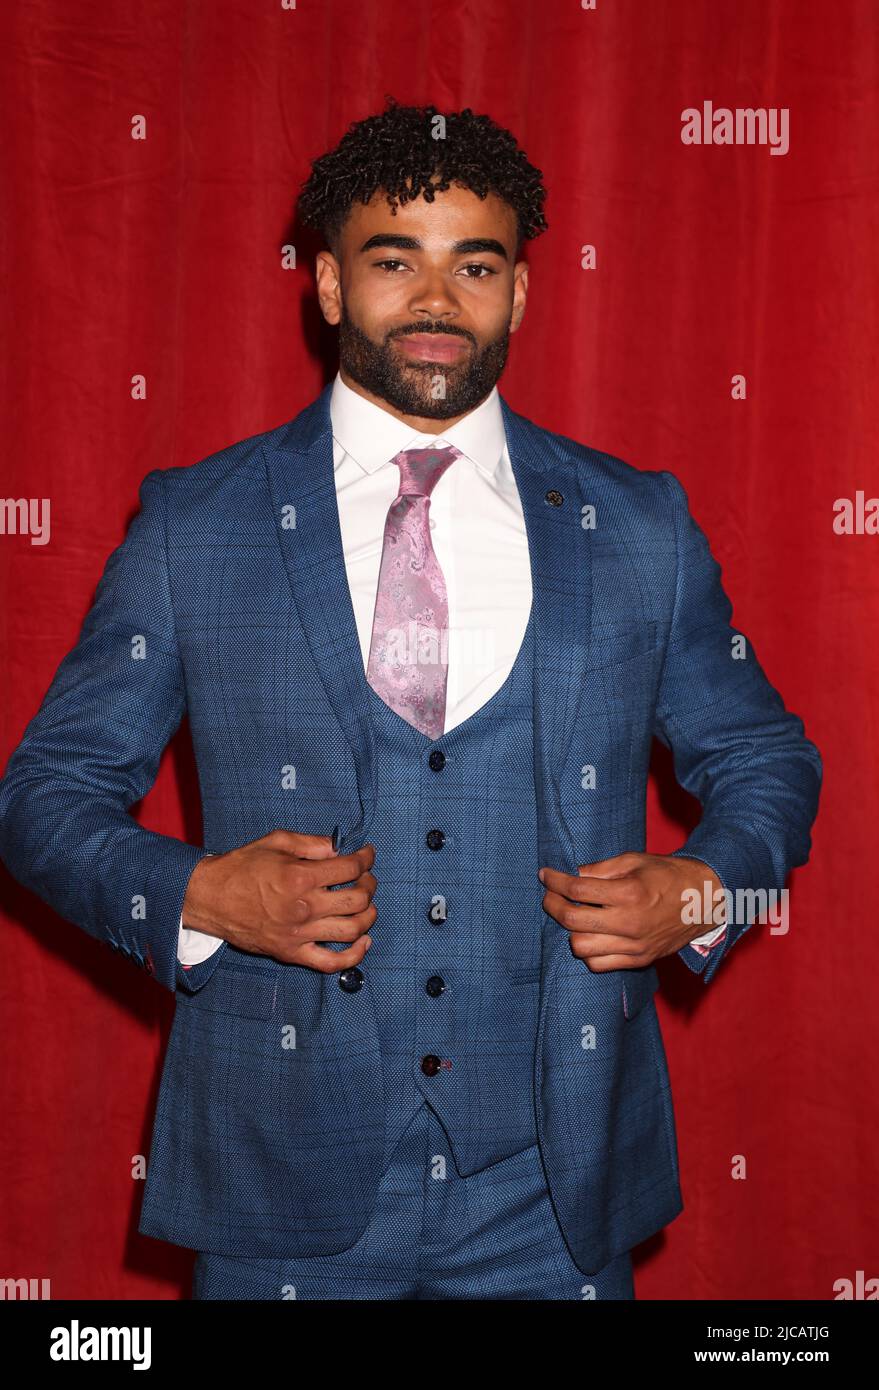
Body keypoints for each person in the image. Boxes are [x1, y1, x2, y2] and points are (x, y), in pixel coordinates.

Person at [0, 99, 822, 1301]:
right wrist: (196, 892)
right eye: (395, 261)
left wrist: (708, 887)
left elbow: (768, 757)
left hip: (556, 1183)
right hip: (281, 1171)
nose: (437, 301)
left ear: (521, 293)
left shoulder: (638, 521)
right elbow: (43, 796)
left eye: (474, 264)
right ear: (330, 285)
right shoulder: (198, 523)